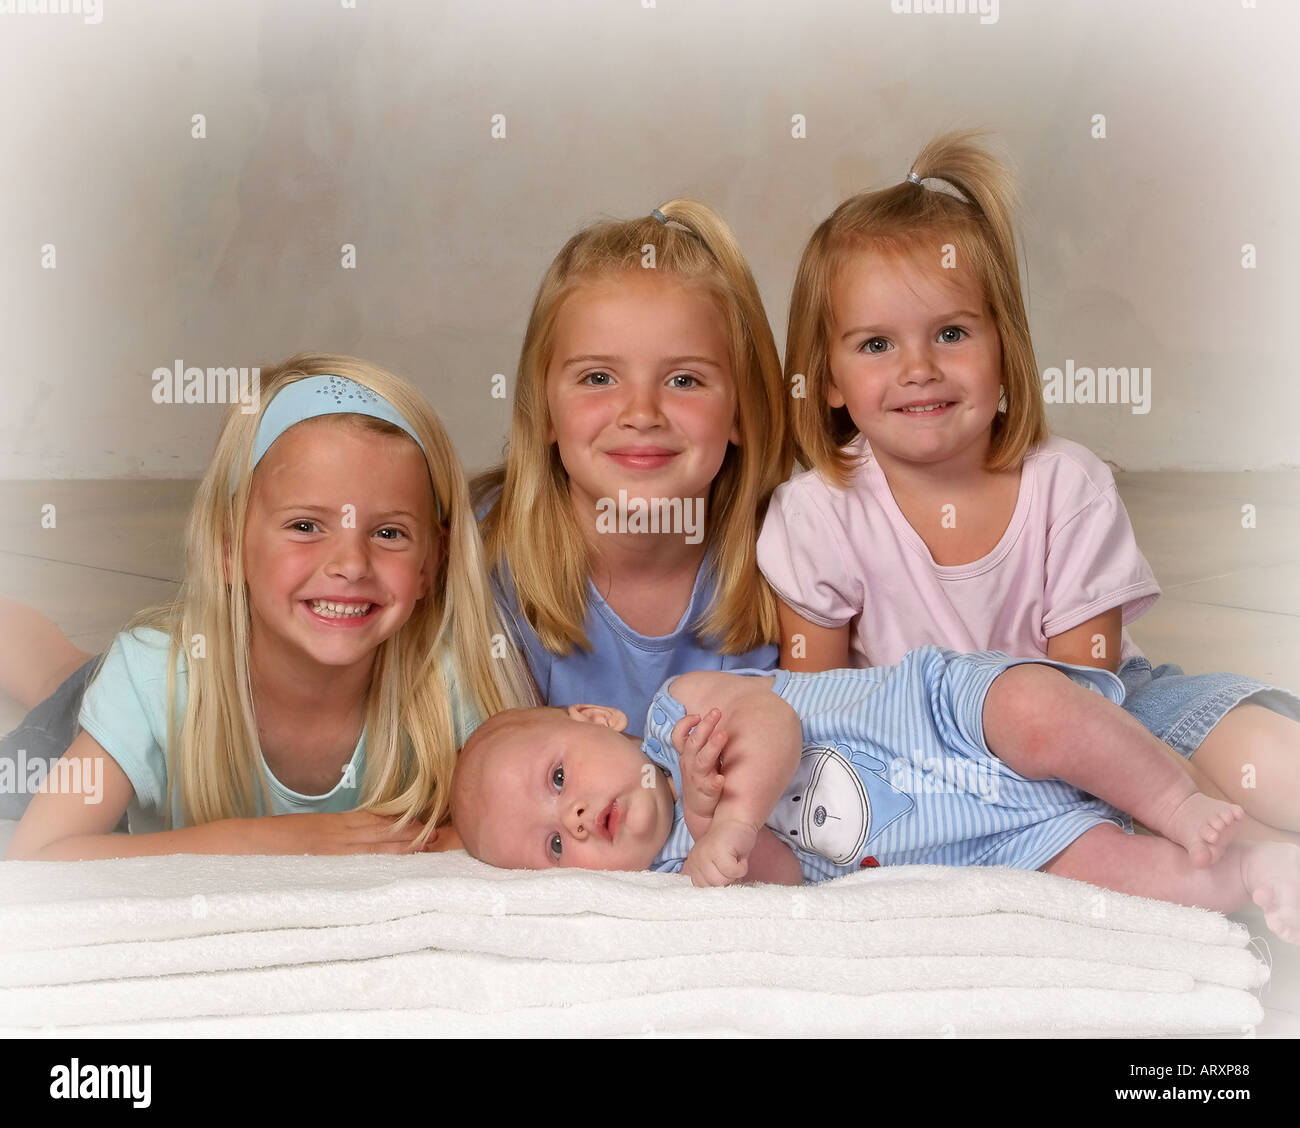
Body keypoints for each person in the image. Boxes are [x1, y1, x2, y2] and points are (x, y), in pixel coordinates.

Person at [756, 131, 1300, 842]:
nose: (918, 367)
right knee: (1172, 829)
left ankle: (1244, 840)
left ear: (1004, 350)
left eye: (951, 334)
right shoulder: (817, 513)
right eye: (877, 344)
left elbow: (1091, 696)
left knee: (1265, 756)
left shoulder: (1067, 484)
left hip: (1111, 713)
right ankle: (1255, 859)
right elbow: (820, 707)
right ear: (827, 378)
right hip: (927, 745)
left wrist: (1155, 776)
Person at [3, 354, 533, 860]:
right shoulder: (153, 682)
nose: (351, 564)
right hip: (143, 684)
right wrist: (280, 840)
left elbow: (508, 834)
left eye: (389, 532)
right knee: (68, 687)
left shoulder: (451, 682)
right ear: (229, 548)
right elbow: (38, 855)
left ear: (430, 564)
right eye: (305, 526)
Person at [450, 649, 1299, 944]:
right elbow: (785, 880)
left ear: (597, 718)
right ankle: (1256, 872)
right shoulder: (682, 884)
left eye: (558, 778)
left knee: (1041, 712)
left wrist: (729, 806)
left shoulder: (680, 710)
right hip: (991, 845)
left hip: (949, 722)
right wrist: (725, 844)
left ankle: (1177, 802)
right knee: (1132, 881)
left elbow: (774, 723)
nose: (570, 817)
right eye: (555, 847)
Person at [473, 200, 792, 733]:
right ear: (545, 409)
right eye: (598, 378)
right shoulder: (483, 562)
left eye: (684, 380)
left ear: (741, 411)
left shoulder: (791, 558)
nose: (641, 414)